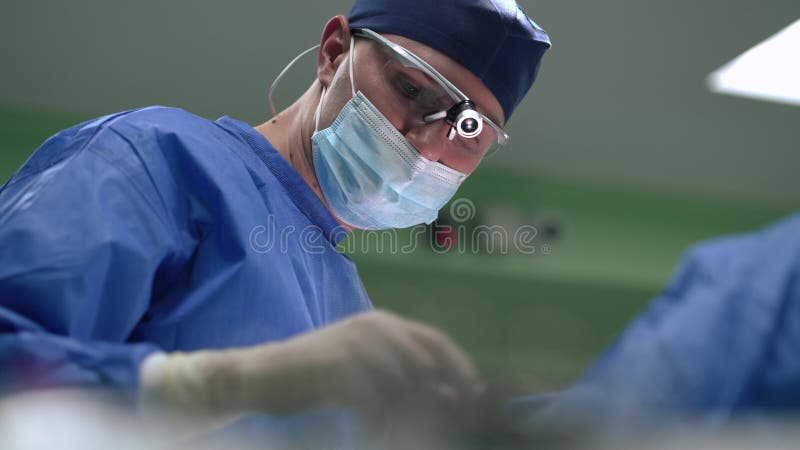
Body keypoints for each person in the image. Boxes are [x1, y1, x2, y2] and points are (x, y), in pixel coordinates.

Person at [0, 0, 551, 445]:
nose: (424, 141)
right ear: (334, 53)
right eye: (410, 89)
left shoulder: (346, 310)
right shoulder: (156, 158)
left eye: (468, 132)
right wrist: (214, 387)